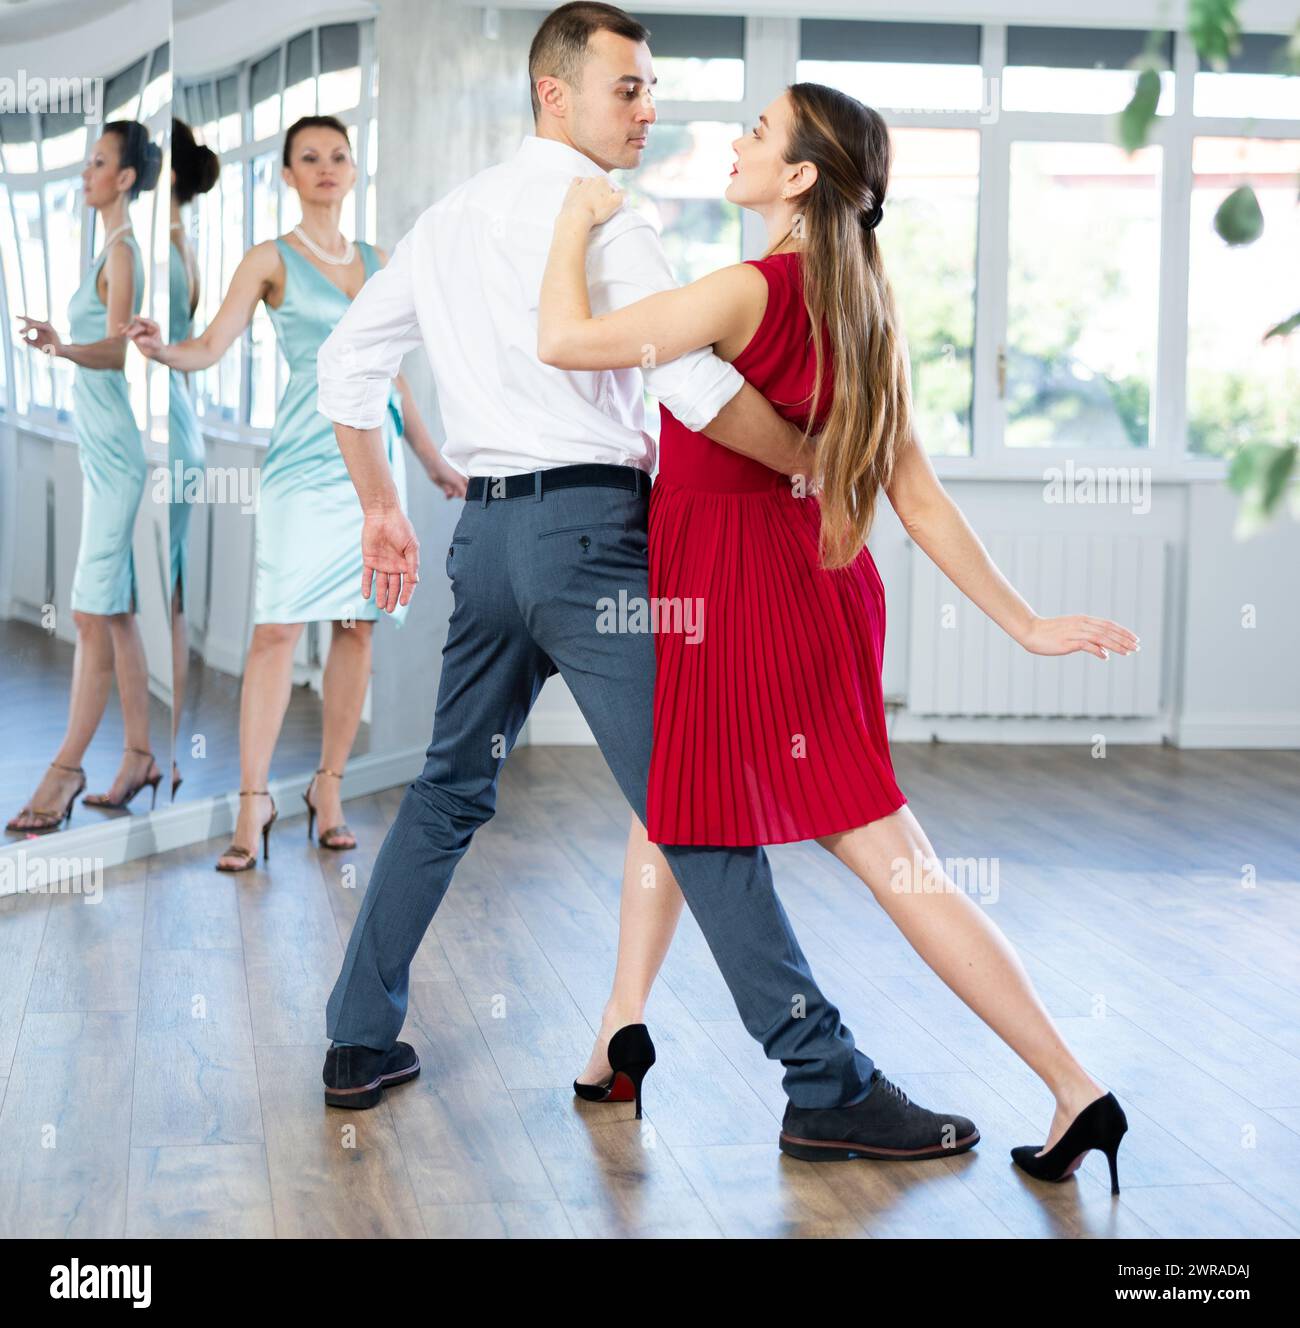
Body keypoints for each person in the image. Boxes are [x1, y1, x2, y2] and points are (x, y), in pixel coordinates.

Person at [313, 2, 982, 1168]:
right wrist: (813, 458)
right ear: (554, 94)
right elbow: (690, 389)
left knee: (446, 790)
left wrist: (382, 499)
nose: (650, 108)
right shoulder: (608, 220)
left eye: (651, 87)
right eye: (628, 89)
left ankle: (356, 1040)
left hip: (486, 542)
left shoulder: (449, 221)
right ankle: (821, 1077)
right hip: (594, 546)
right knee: (702, 809)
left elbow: (346, 362)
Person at [538, 80, 1136, 1188]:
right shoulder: (865, 311)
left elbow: (563, 339)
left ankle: (1073, 1081)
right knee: (674, 802)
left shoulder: (742, 290)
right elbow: (919, 499)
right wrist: (1023, 621)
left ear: (800, 177)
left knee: (878, 858)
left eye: (757, 135)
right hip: (811, 596)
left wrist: (576, 221)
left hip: (744, 605)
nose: (735, 142)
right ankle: (615, 1035)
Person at [125, 115, 465, 871]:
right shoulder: (269, 259)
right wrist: (160, 350)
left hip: (372, 469)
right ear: (286, 174)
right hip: (300, 466)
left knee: (357, 626)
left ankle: (329, 788)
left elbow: (394, 376)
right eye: (308, 157)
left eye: (337, 156)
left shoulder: (379, 260)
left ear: (352, 170)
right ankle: (253, 803)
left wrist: (433, 459)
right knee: (275, 629)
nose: (325, 167)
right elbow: (213, 344)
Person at [6, 121, 162, 834]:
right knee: (117, 609)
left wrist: (65, 347)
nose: (85, 174)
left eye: (98, 162)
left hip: (118, 456)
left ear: (125, 177)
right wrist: (60, 343)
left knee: (89, 611)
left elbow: (118, 354)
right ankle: (140, 756)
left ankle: (67, 768)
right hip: (102, 451)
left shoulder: (123, 250)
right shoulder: (106, 248)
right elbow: (97, 344)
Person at [166, 118, 219, 799]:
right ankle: (161, 749)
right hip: (176, 428)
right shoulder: (180, 240)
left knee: (155, 601)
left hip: (165, 434)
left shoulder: (159, 246)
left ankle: (160, 751)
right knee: (163, 599)